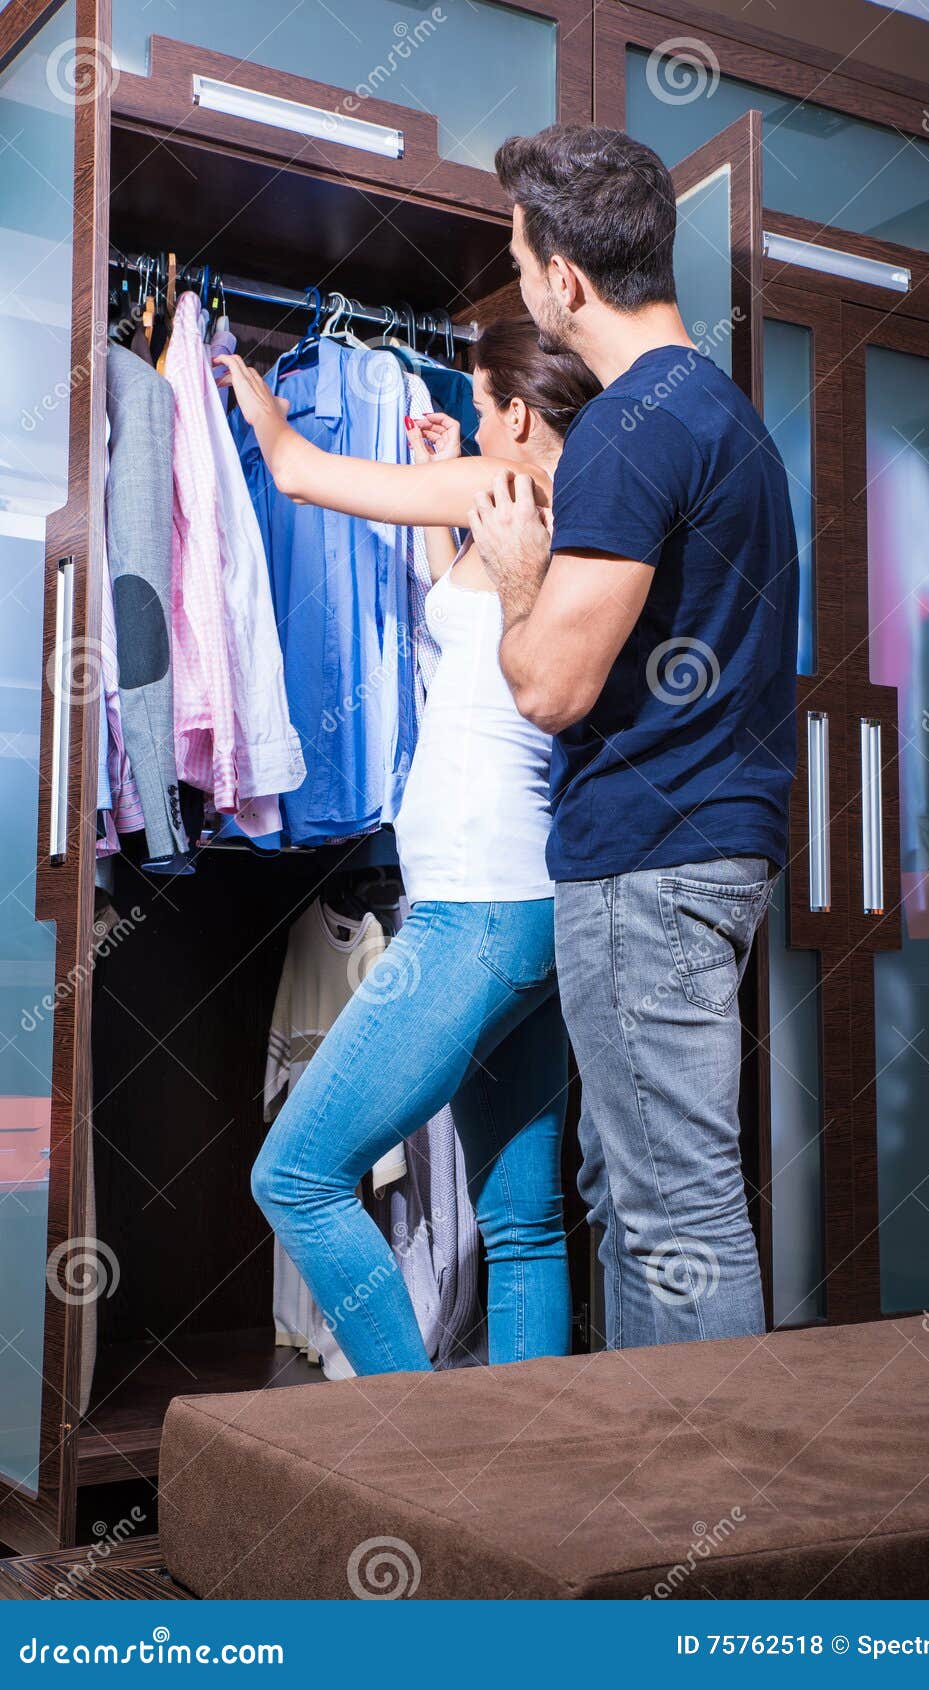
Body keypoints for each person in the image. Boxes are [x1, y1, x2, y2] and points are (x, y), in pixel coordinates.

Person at [467, 125, 799, 1350]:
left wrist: (515, 575)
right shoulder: (723, 415)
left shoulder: (625, 425)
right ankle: (667, 1500)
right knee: (632, 1191)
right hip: (714, 848)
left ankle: (721, 1519)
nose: (518, 280)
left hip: (644, 863)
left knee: (673, 1206)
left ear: (564, 279)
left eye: (517, 256)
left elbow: (550, 685)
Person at [216, 320, 600, 1375]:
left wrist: (261, 403)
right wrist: (442, 481)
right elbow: (479, 629)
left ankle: (414, 1446)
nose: (472, 428)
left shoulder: (509, 486)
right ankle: (518, 1481)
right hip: (528, 912)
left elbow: (298, 476)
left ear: (518, 419)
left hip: (471, 914)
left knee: (294, 1173)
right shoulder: (573, 515)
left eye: (479, 411)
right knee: (521, 1225)